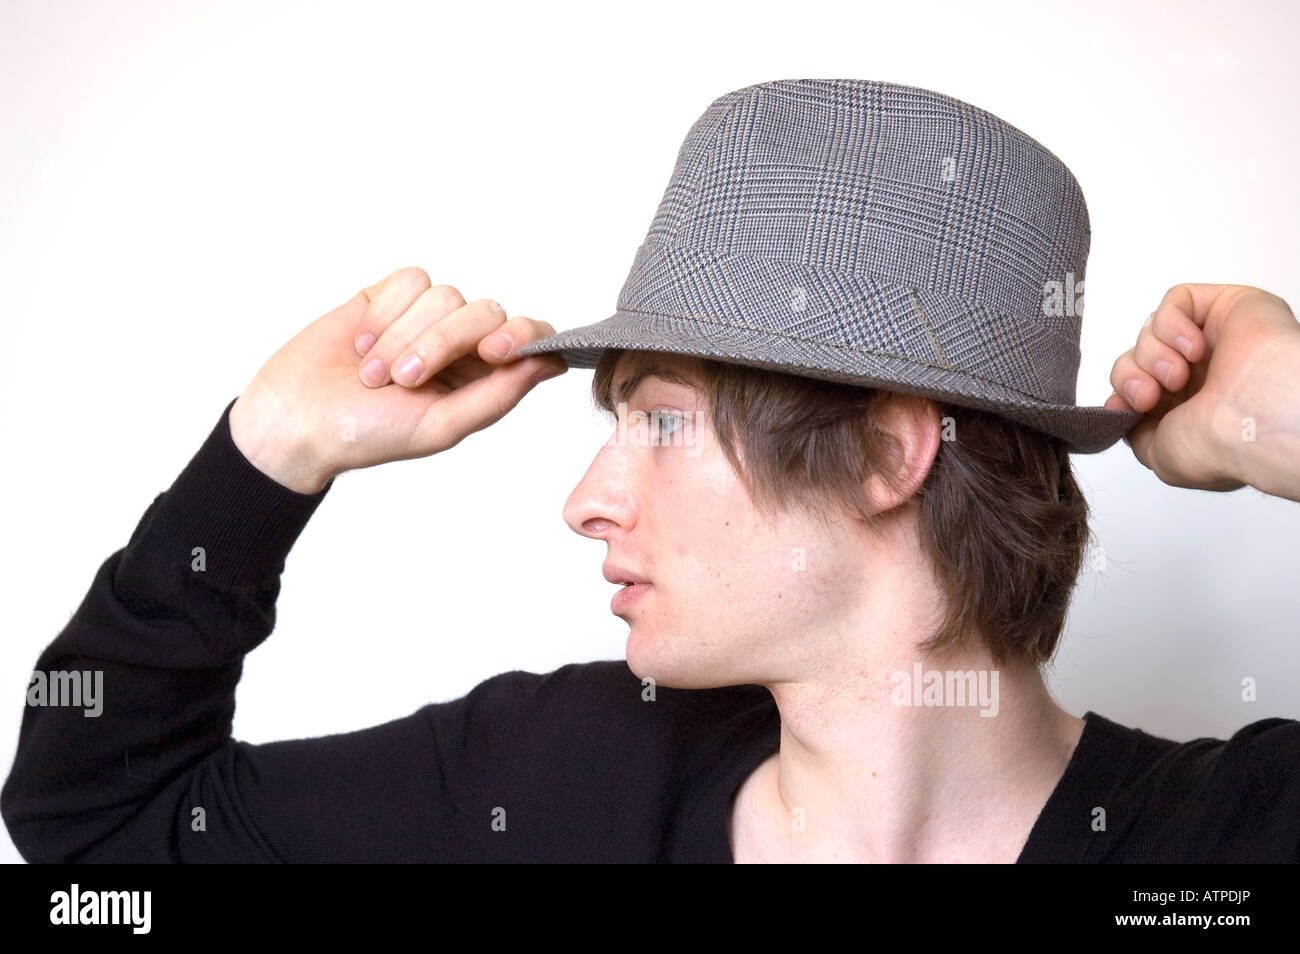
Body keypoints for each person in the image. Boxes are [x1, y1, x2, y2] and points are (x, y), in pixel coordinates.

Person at [4, 79, 1299, 863]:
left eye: (665, 422)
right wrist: (269, 452)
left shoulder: (1231, 840)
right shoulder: (559, 778)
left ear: (895, 452)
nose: (587, 502)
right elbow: (98, 829)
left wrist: (1277, 420)